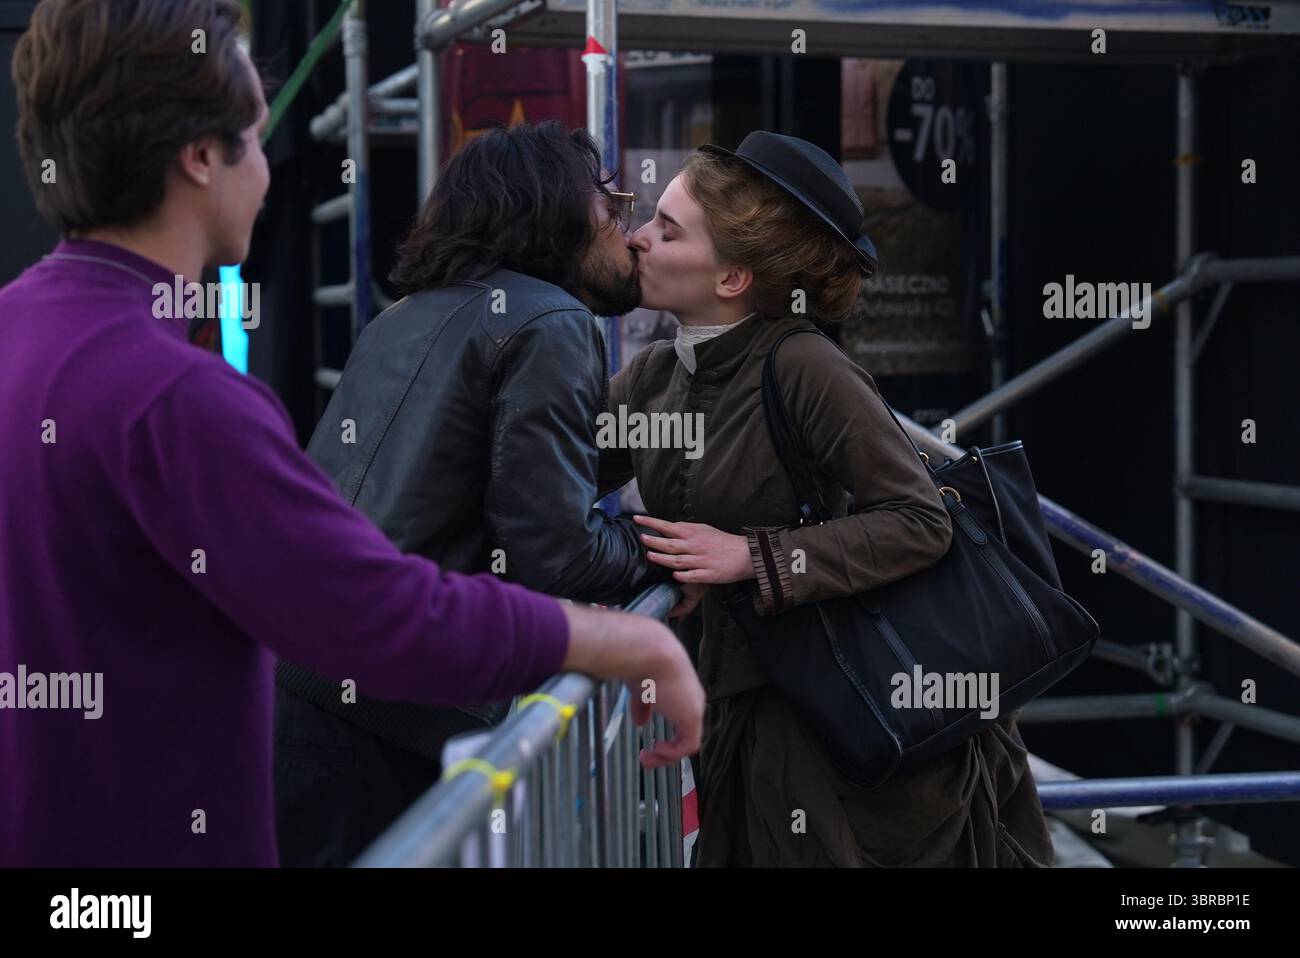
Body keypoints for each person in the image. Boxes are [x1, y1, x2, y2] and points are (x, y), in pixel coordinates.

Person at [0, 0, 702, 867]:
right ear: (200, 160)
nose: (265, 171)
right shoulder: (181, 398)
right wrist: (620, 636)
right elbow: (372, 607)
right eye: (257, 139)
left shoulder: (19, 332)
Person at [599, 132, 1054, 867]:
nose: (638, 239)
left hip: (836, 727)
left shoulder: (804, 363)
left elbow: (918, 522)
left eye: (667, 228)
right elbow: (555, 476)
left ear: (734, 277)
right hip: (735, 713)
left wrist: (755, 557)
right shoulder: (656, 376)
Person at [275, 122, 669, 865]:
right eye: (611, 203)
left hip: (296, 691)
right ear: (552, 209)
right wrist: (672, 552)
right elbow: (559, 554)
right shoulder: (552, 322)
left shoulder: (403, 317)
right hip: (388, 720)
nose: (628, 227)